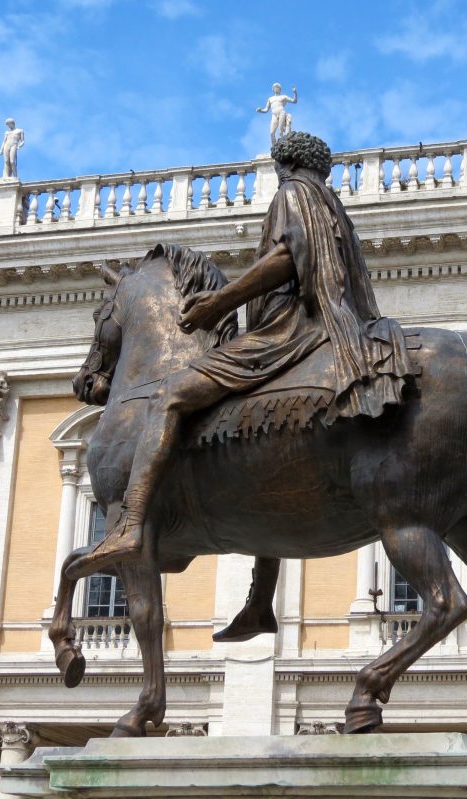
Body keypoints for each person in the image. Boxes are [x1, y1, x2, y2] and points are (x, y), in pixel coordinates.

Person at [79, 132, 413, 572]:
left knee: (170, 397)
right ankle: (261, 596)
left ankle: (130, 524)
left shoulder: (293, 194)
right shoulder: (330, 203)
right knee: (262, 447)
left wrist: (222, 301)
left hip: (289, 331)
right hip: (331, 325)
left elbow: (285, 260)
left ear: (284, 165)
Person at [256, 83, 298, 148]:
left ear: (280, 89)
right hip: (274, 115)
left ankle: (283, 147)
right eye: (275, 88)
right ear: (273, 89)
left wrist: (295, 93)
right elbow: (266, 109)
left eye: (277, 87)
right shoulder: (270, 99)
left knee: (280, 132)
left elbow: (294, 101)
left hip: (281, 112)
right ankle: (274, 148)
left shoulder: (283, 97)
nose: (276, 89)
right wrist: (260, 110)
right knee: (272, 133)